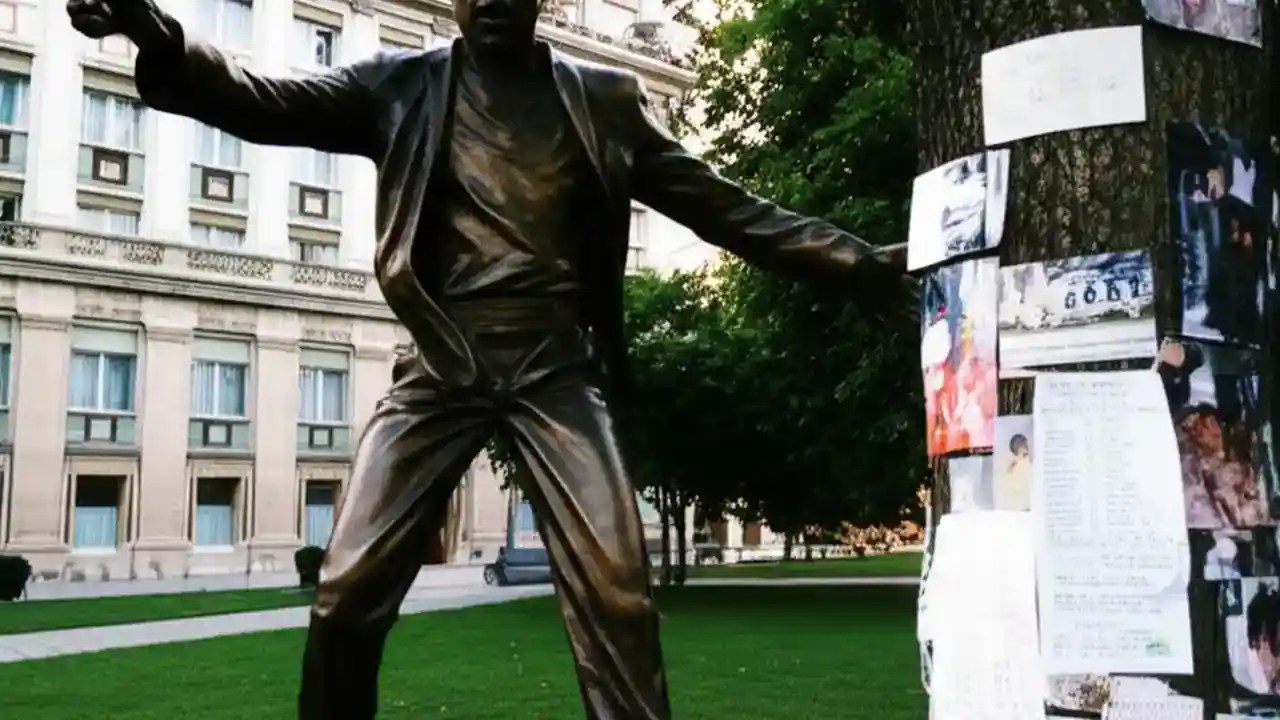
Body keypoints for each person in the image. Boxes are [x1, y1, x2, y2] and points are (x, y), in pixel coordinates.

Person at [64, 1, 912, 718]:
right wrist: (159, 35)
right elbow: (258, 99)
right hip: (439, 365)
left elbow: (726, 210)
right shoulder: (401, 84)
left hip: (554, 371)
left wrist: (859, 263)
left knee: (620, 599)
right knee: (345, 596)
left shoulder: (604, 102)